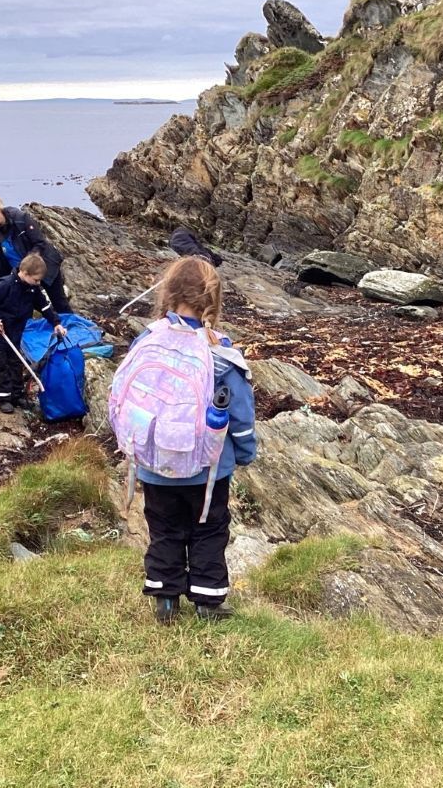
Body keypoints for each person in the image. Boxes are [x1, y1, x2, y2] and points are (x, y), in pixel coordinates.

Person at [132, 257, 256, 624]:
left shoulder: (147, 340)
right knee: (209, 528)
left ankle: (165, 597)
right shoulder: (220, 355)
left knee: (164, 527)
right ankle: (207, 601)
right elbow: (241, 416)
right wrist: (245, 453)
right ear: (213, 302)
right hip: (208, 468)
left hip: (155, 464)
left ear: (168, 293)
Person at [0, 253, 67, 414]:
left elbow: (44, 306)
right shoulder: (5, 285)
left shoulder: (32, 289)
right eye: (36, 280)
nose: (38, 283)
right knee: (0, 367)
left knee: (15, 364)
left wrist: (56, 323)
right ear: (24, 273)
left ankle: (16, 395)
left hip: (15, 334)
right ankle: (2, 398)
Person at [0, 195, 73, 315]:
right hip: (22, 275)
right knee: (24, 308)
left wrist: (27, 263)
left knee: (60, 303)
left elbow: (39, 243)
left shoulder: (21, 218)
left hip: (45, 266)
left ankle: (73, 329)